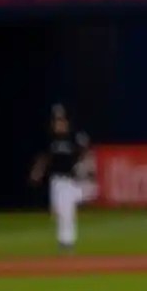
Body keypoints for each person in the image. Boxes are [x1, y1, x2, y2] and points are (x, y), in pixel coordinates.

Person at [28, 104, 91, 253]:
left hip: (70, 180)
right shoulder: (51, 139)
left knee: (66, 211)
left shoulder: (73, 137)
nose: (58, 123)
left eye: (61, 120)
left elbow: (84, 152)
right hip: (56, 180)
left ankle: (66, 242)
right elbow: (43, 158)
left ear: (66, 122)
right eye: (56, 121)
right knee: (59, 211)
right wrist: (37, 172)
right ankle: (65, 240)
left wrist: (82, 164)